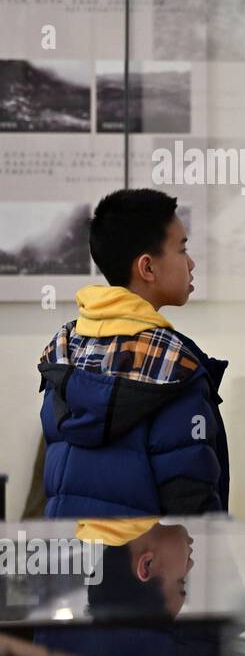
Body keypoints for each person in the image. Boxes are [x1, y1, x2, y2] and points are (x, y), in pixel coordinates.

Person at [37, 188, 229, 519]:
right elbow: (192, 511)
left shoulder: (64, 352)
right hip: (147, 568)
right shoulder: (175, 369)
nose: (191, 262)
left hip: (71, 563)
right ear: (147, 268)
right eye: (182, 249)